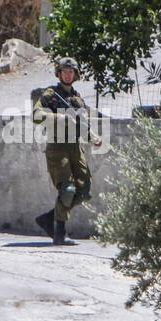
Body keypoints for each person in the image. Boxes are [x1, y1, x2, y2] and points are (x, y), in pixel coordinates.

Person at [32, 57, 101, 245]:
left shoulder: (77, 98)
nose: (68, 74)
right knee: (68, 189)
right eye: (65, 71)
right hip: (57, 146)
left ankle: (49, 218)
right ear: (59, 73)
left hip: (75, 147)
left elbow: (83, 125)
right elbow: (36, 116)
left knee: (84, 191)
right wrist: (59, 117)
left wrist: (93, 137)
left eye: (71, 71)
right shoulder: (50, 94)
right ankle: (59, 234)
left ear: (76, 74)